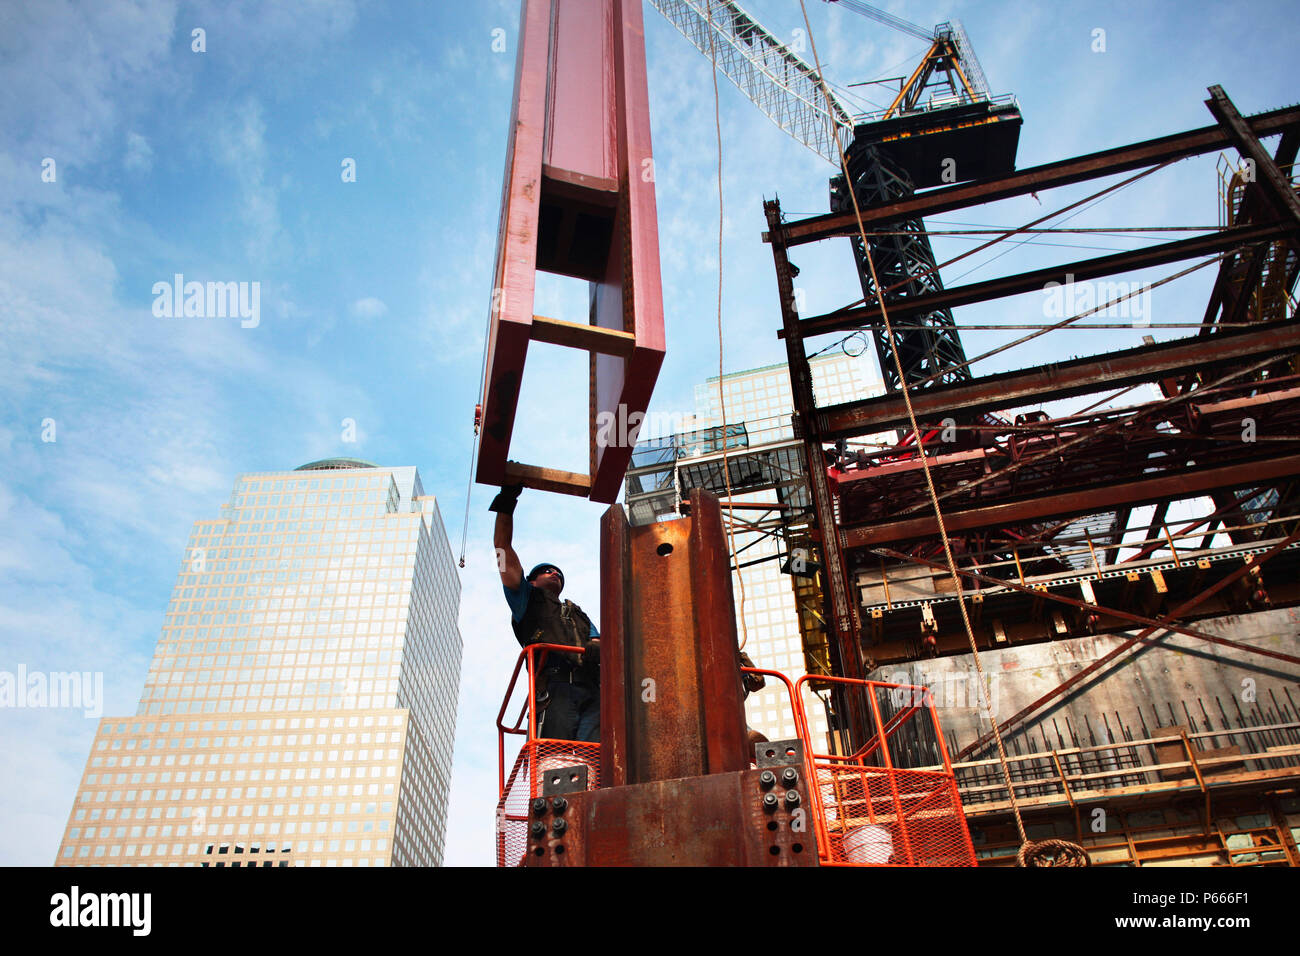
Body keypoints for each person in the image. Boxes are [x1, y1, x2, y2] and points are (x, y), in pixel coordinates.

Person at [490, 483, 601, 742]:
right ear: (532, 581)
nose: (555, 574)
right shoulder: (526, 600)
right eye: (547, 571)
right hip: (554, 686)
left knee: (595, 757)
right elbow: (502, 548)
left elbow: (597, 641)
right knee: (555, 759)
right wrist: (507, 501)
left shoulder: (577, 613)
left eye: (559, 574)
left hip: (589, 689)